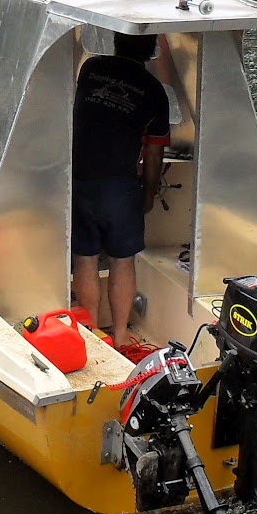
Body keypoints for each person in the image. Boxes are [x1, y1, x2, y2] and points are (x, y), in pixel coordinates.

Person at [71, 32, 171, 343]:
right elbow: (153, 154)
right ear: (152, 50)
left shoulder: (91, 68)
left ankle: (89, 334)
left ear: (115, 43)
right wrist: (149, 194)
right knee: (122, 261)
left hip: (80, 179)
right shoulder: (155, 92)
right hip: (120, 186)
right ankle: (120, 333)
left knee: (85, 258)